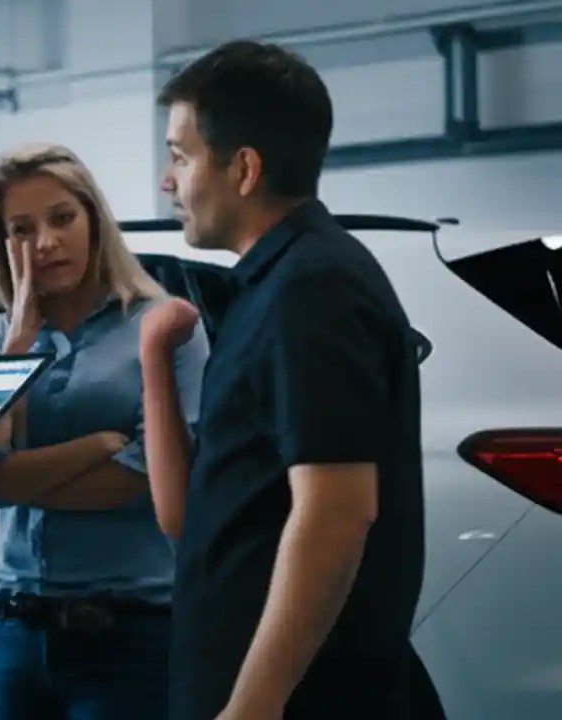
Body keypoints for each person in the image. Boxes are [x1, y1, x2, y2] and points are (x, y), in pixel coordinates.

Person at [145, 40, 427, 720]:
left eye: (179, 156)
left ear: (243, 169)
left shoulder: (313, 288)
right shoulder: (274, 287)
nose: (166, 180)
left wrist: (253, 705)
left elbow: (335, 510)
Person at [0, 141, 210, 720]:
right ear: (2, 244)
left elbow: (146, 478)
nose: (45, 243)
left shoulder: (162, 326)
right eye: (21, 229)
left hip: (132, 634)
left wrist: (10, 475)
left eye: (62, 218)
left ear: (94, 218)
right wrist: (91, 443)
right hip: (14, 634)